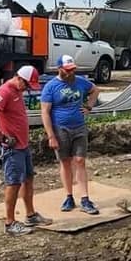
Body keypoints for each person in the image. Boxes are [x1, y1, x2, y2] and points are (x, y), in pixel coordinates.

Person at [0, 64, 51, 235]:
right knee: (13, 183)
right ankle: (10, 223)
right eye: (26, 85)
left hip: (22, 144)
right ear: (19, 78)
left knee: (28, 178)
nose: (27, 89)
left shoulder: (17, 91)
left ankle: (30, 215)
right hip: (12, 148)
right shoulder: (5, 92)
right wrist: (1, 136)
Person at [41, 54, 100, 214]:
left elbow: (95, 90)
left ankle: (85, 198)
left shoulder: (80, 81)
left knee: (80, 160)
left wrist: (89, 106)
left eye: (73, 69)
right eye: (67, 70)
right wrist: (51, 136)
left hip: (79, 127)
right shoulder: (51, 87)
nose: (71, 73)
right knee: (65, 162)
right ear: (59, 69)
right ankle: (69, 196)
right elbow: (45, 112)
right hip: (60, 129)